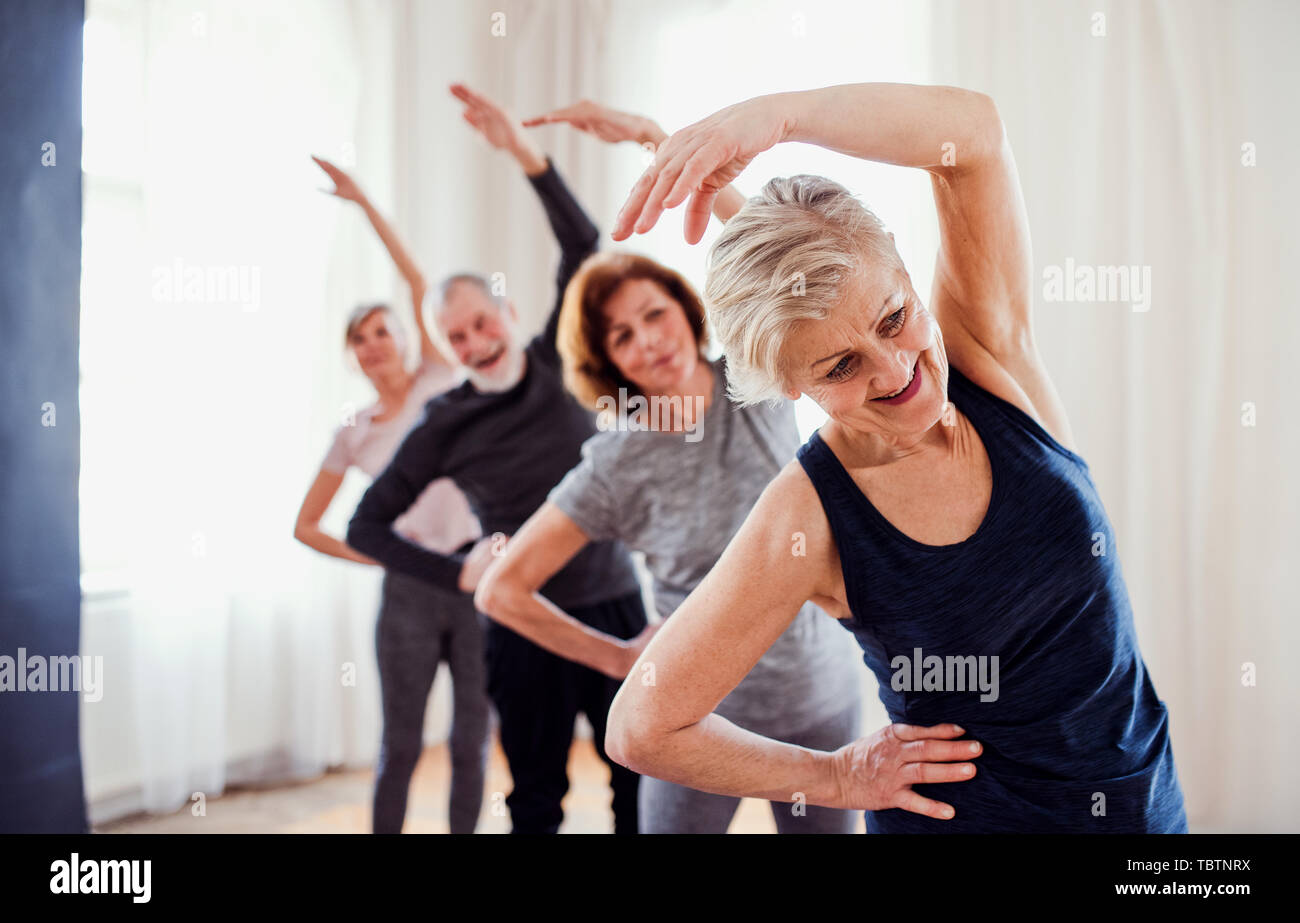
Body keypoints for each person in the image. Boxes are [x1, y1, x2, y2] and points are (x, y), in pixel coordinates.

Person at [603, 82, 1188, 833]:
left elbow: (974, 133)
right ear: (792, 386)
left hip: (1148, 813)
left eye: (893, 317)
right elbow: (642, 725)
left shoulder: (987, 352)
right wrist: (833, 774)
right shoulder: (809, 515)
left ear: (909, 277)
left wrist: (781, 118)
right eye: (839, 368)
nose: (895, 372)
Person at [475, 100, 877, 834]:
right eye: (622, 335)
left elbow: (774, 251)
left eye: (653, 314)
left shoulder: (753, 379)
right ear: (608, 361)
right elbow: (502, 590)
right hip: (693, 724)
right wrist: (619, 655)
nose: (647, 341)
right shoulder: (617, 459)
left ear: (685, 311)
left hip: (817, 703)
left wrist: (657, 142)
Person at [346, 84, 648, 835]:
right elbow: (365, 524)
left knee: (638, 777)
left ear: (508, 314)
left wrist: (523, 152)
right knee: (536, 795)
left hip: (613, 599)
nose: (475, 341)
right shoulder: (444, 423)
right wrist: (458, 571)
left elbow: (584, 246)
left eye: (482, 322)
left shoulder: (556, 362)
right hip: (522, 620)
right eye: (457, 336)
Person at [292, 156, 488, 834]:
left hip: (474, 578)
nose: (375, 345)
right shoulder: (353, 430)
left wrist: (363, 202)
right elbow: (308, 525)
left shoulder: (441, 377)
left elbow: (415, 280)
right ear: (352, 356)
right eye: (361, 339)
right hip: (407, 593)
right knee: (399, 744)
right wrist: (379, 559)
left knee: (470, 742)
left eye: (384, 331)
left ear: (406, 337)